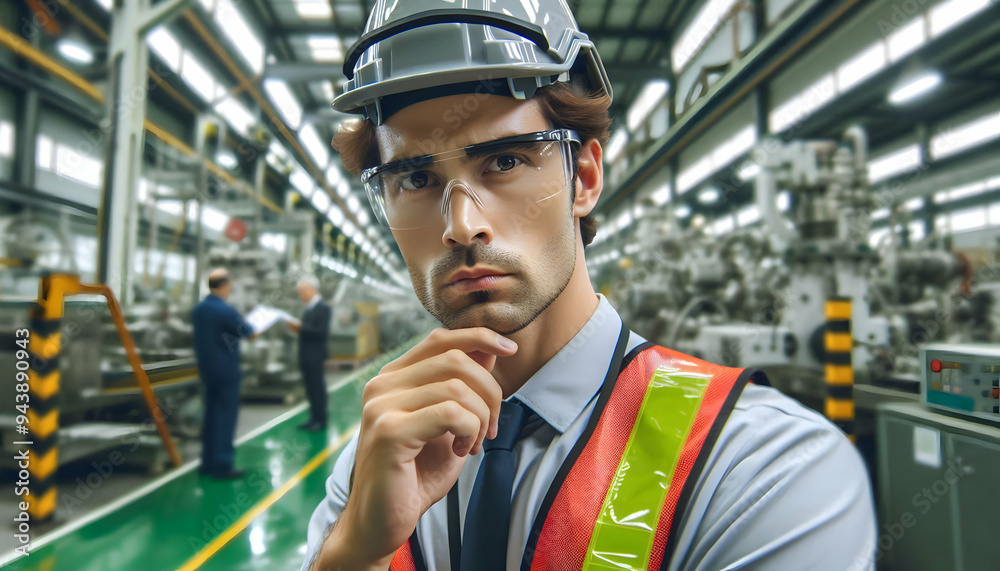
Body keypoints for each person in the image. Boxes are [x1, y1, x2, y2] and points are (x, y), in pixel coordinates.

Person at [303, 2, 877, 570]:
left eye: (504, 161)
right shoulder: (374, 462)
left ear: (584, 178)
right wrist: (356, 552)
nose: (461, 226)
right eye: (417, 178)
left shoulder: (759, 466)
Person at [191, 268, 256, 479]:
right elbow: (248, 332)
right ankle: (222, 464)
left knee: (210, 414)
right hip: (226, 371)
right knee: (225, 416)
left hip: (207, 370)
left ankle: (208, 462)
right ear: (225, 286)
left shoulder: (199, 310)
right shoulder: (225, 311)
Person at [287, 276, 332, 432]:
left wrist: (300, 328)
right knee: (310, 388)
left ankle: (321, 419)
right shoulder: (309, 309)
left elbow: (321, 332)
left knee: (317, 387)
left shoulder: (323, 308)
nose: (301, 295)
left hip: (315, 355)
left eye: (303, 291)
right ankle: (313, 418)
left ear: (311, 289)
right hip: (306, 354)